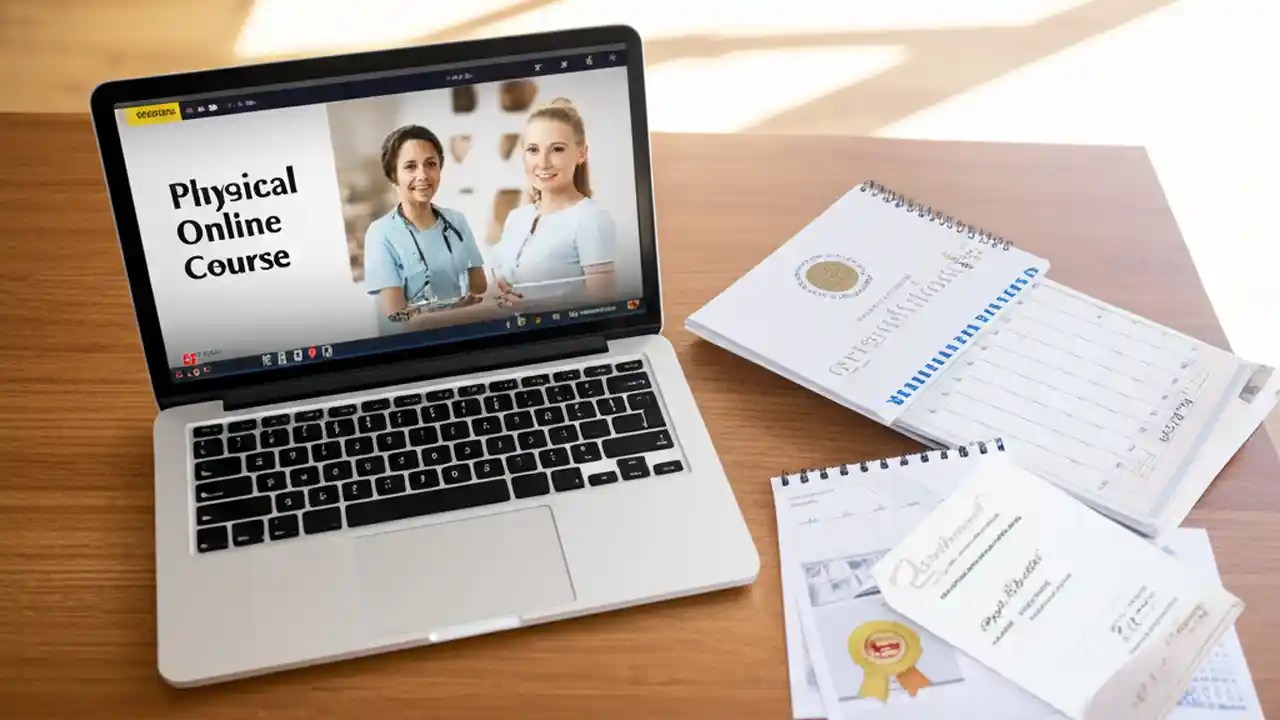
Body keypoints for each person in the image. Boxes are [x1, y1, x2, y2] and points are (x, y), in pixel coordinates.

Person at [492, 97, 617, 309]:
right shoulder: (517, 218)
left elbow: (604, 305)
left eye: (557, 149)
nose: (543, 162)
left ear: (581, 154)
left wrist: (530, 307)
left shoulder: (591, 219)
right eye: (533, 150)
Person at [364, 125, 487, 326]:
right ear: (393, 175)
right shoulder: (380, 234)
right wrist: (459, 313)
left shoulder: (457, 221)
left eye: (431, 164)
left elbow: (480, 289)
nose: (423, 175)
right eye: (410, 166)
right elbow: (397, 316)